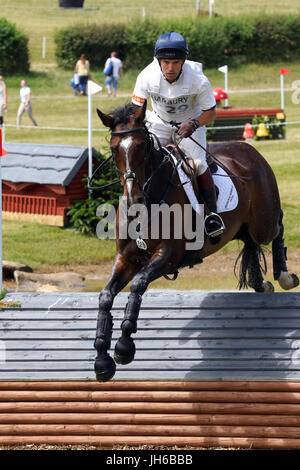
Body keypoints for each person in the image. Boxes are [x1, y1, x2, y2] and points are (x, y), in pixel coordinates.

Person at [131, 31, 225, 239]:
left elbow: (211, 112)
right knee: (143, 161)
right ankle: (141, 211)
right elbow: (135, 110)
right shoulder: (146, 76)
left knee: (198, 164)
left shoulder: (198, 80)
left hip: (191, 124)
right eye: (165, 62)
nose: (170, 68)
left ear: (183, 61)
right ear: (158, 61)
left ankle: (211, 214)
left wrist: (193, 123)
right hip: (159, 122)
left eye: (175, 62)